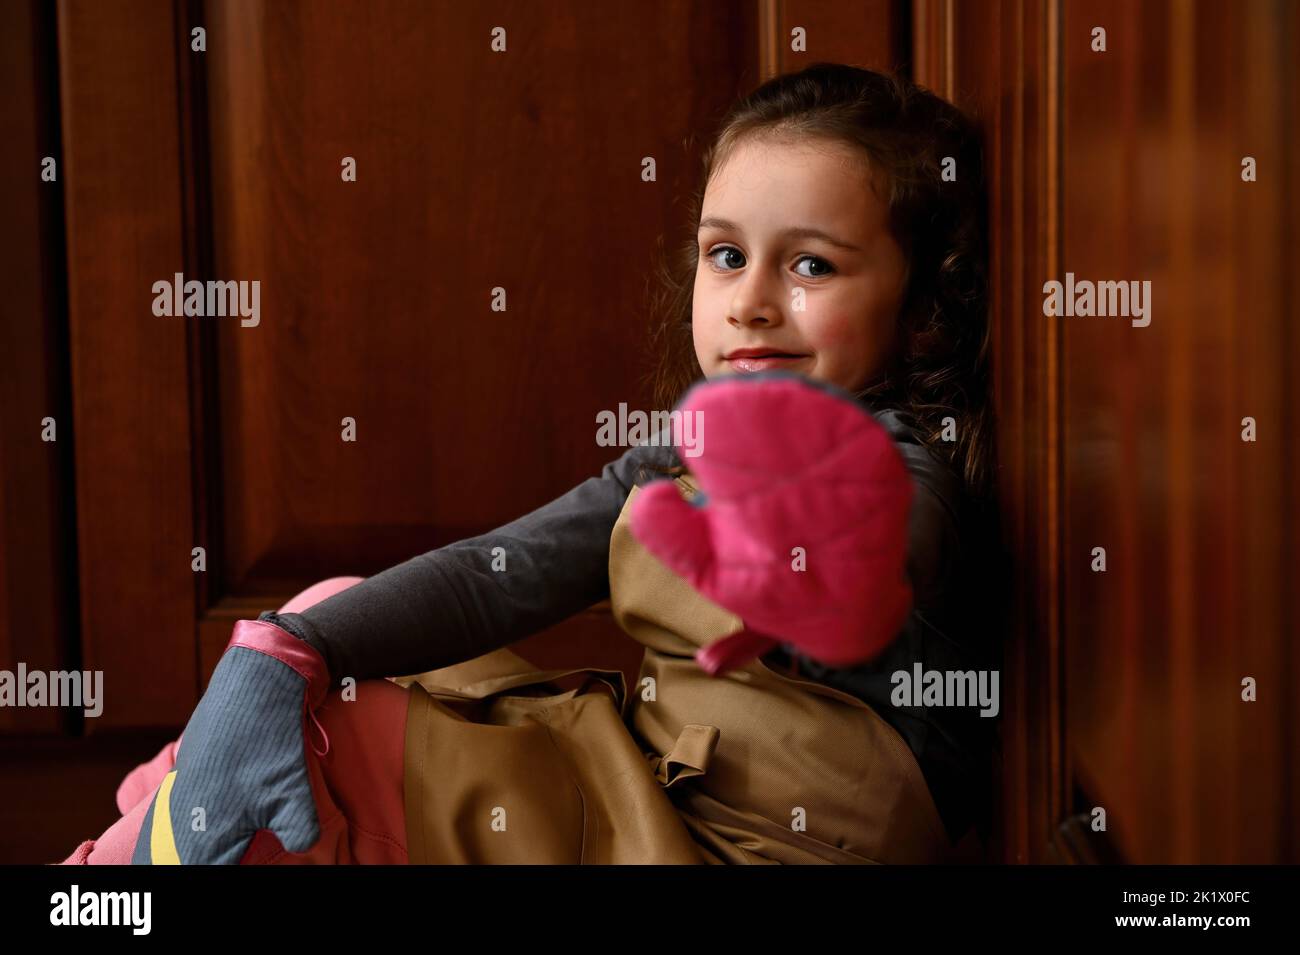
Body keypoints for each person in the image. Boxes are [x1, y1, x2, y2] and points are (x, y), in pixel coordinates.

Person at [59, 62, 1001, 866]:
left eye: (811, 268)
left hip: (726, 846)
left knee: (343, 737)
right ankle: (138, 846)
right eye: (725, 255)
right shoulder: (685, 450)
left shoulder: (909, 470)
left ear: (921, 308)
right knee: (317, 627)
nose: (750, 301)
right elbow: (491, 577)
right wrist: (295, 650)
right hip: (645, 788)